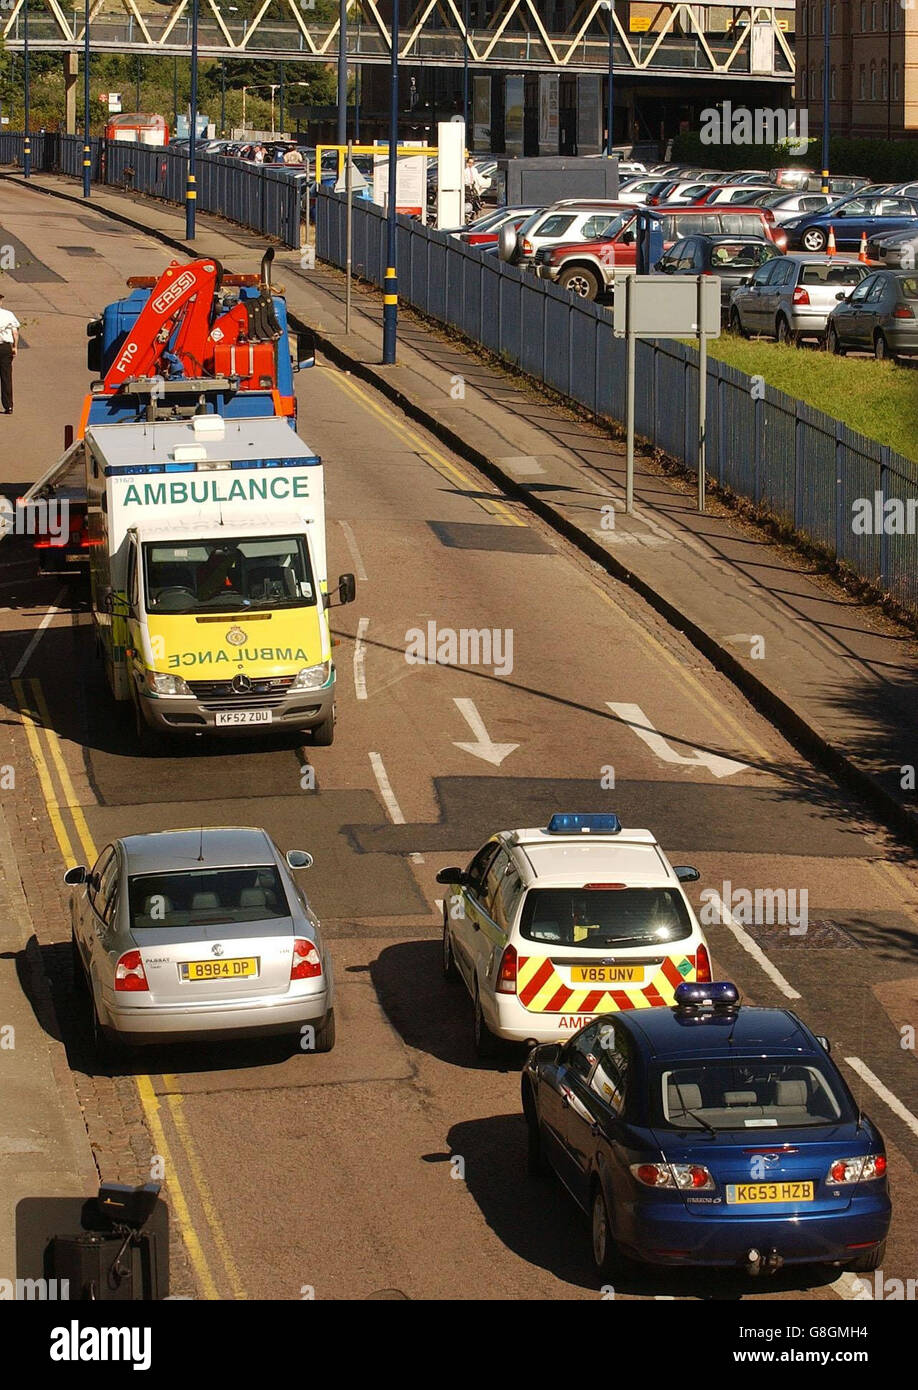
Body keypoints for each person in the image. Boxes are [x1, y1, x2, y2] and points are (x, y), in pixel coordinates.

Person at [0, 292, 20, 415]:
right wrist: (15, 347)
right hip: (5, 347)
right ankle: (8, 406)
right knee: (6, 377)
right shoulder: (8, 314)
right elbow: (15, 333)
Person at [463, 154, 488, 220]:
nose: (470, 164)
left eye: (472, 163)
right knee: (468, 199)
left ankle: (475, 213)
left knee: (476, 199)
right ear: (467, 163)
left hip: (473, 186)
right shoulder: (465, 170)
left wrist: (480, 185)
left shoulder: (474, 170)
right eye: (469, 163)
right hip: (466, 186)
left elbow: (477, 178)